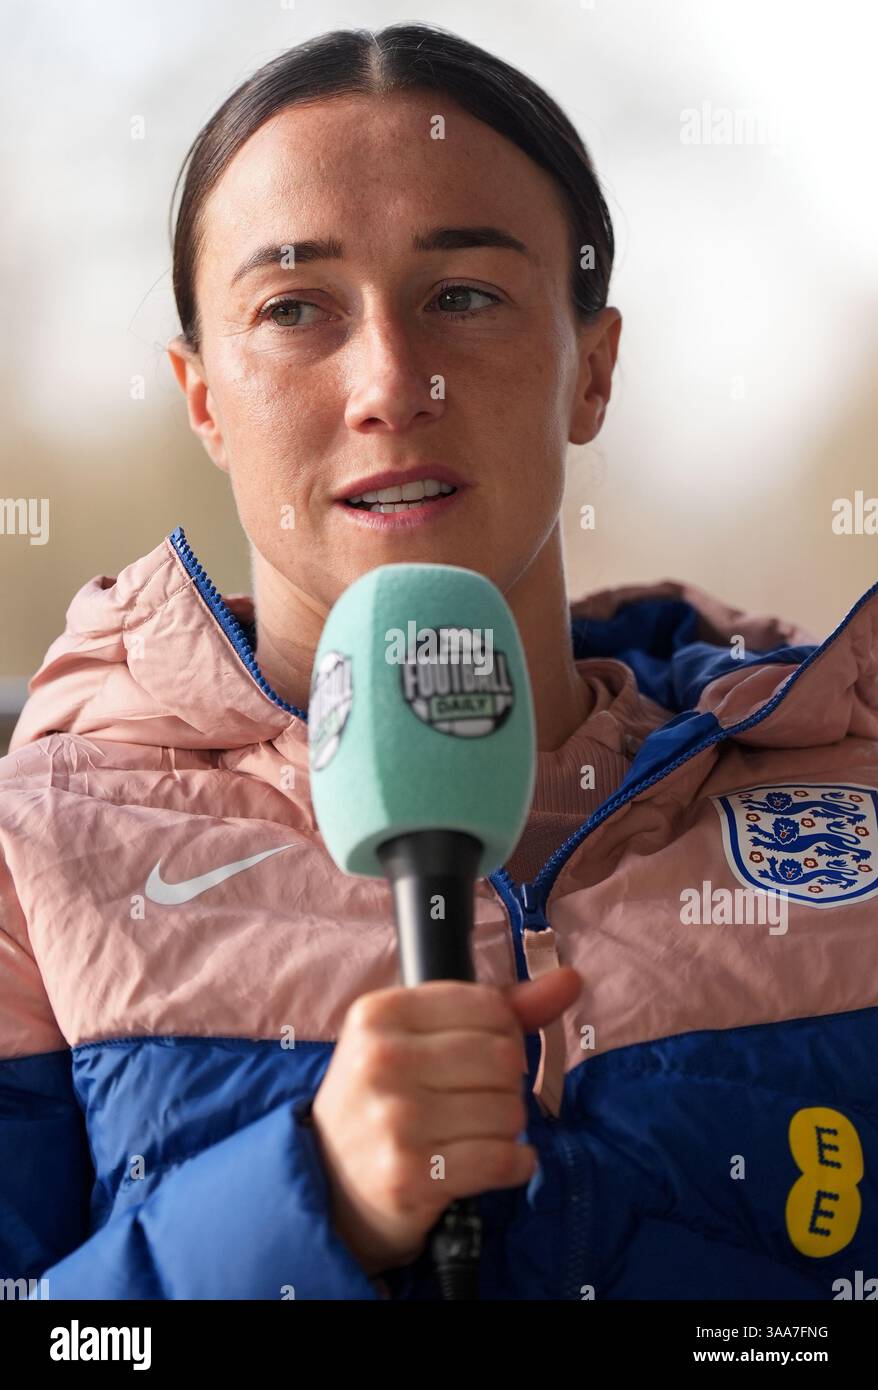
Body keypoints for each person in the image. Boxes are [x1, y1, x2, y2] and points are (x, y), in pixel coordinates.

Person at [1, 23, 876, 1302]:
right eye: (295, 309)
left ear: (594, 369)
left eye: (462, 296)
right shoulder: (32, 863)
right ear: (202, 400)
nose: (390, 383)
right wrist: (311, 1203)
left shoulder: (848, 781)